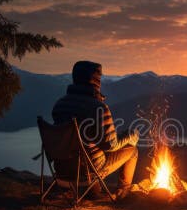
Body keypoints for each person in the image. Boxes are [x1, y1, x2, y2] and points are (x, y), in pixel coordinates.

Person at [52, 61, 139, 196]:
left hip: (62, 169)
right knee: (132, 151)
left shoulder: (60, 104)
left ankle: (91, 191)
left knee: (91, 153)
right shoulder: (98, 107)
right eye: (99, 78)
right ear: (95, 80)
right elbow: (109, 144)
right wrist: (130, 135)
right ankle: (123, 192)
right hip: (89, 169)